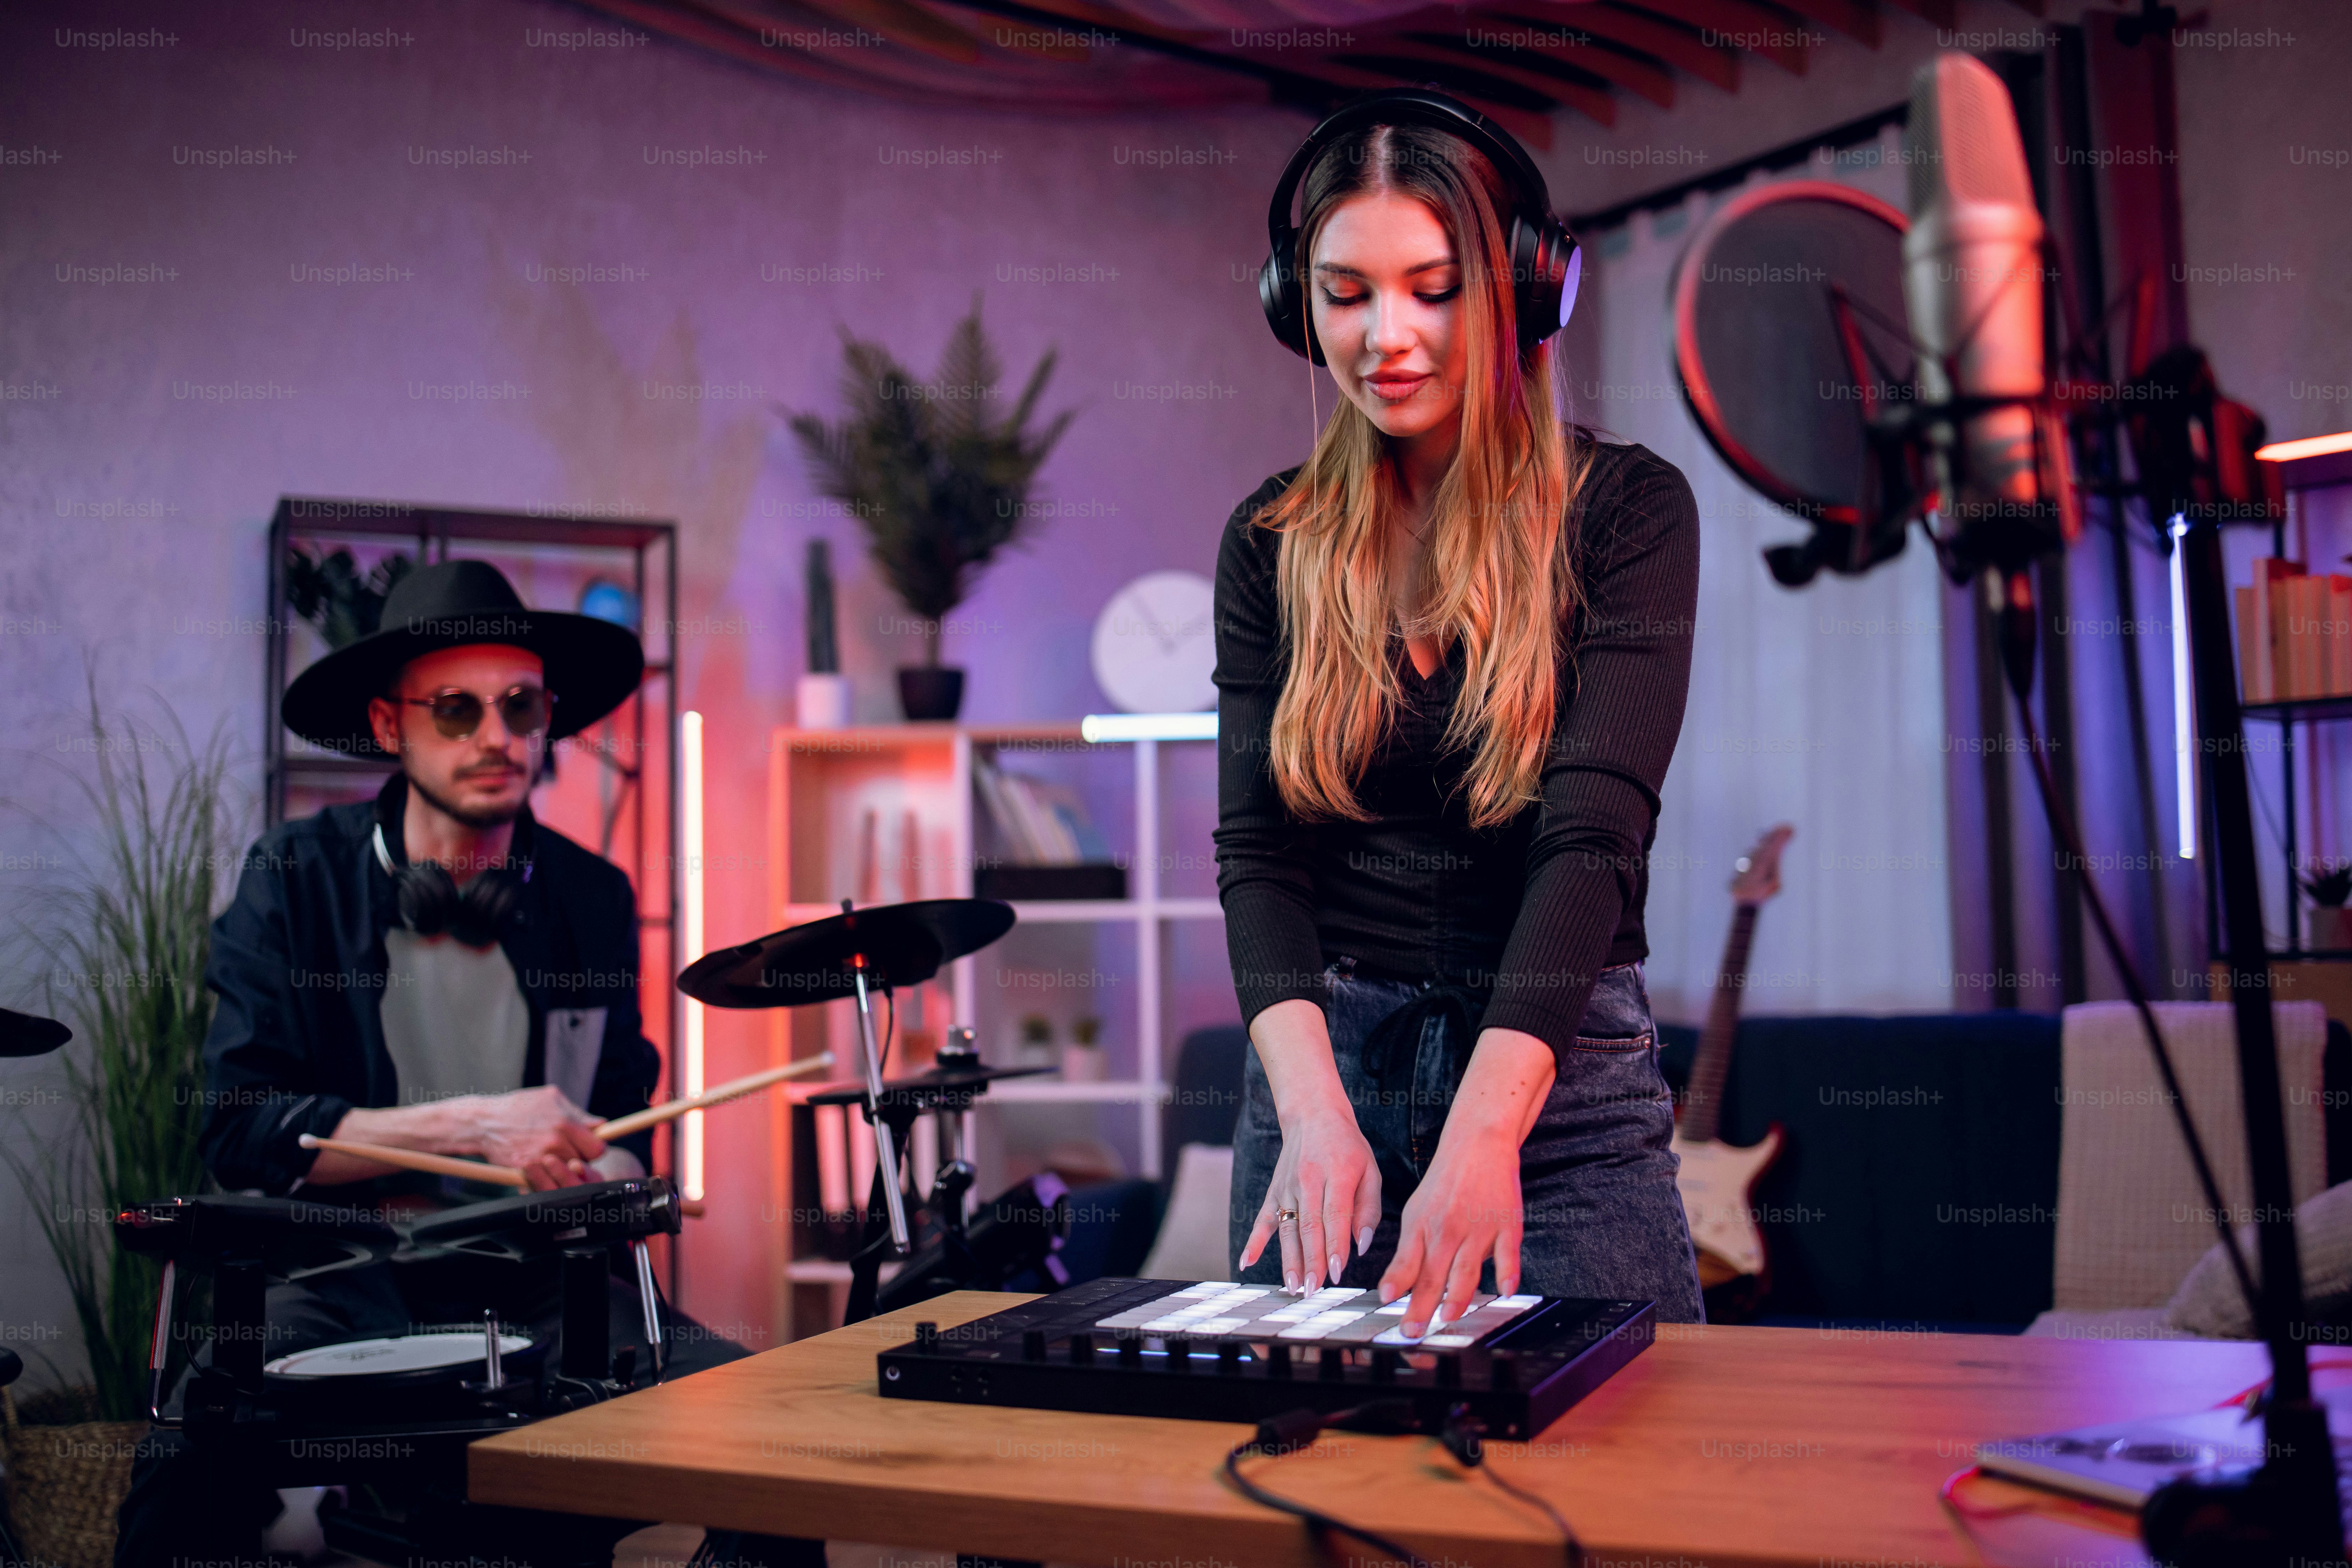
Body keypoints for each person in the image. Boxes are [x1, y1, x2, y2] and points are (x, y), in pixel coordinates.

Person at [116, 559, 812, 1567]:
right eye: (457, 708)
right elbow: (241, 1127)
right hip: (347, 1270)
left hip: (536, 1282)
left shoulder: (589, 897)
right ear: (391, 726)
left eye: (521, 706)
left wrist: (608, 1172)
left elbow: (619, 1107)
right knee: (184, 1465)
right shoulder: (295, 881)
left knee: (772, 1446)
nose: (498, 738)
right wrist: (478, 1125)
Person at [1217, 90, 1706, 1337]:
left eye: (1434, 288)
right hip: (1326, 1079)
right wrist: (1312, 1114)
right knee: (1306, 1493)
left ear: (1521, 288)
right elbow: (1259, 853)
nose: (1388, 336)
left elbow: (1591, 842)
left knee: (1637, 1496)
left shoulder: (1630, 515)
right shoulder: (1269, 543)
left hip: (1560, 1091)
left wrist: (1487, 1134)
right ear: (1294, 303)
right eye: (1346, 292)